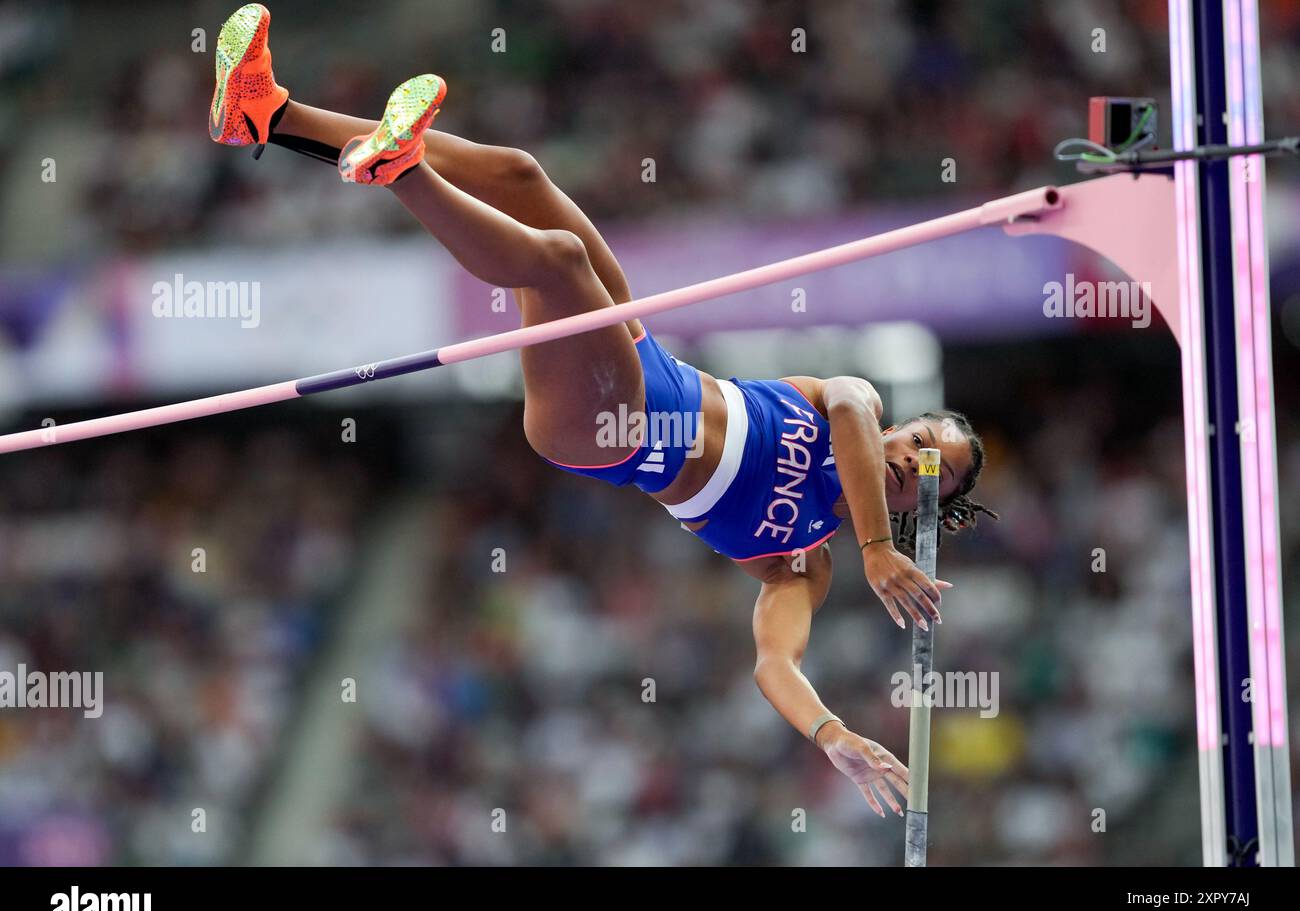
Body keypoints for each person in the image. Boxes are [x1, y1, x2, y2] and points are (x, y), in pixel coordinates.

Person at [210, 3, 997, 818]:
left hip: (603, 430)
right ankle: (266, 114)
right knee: (520, 176)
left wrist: (833, 733)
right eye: (918, 441)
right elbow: (851, 412)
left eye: (923, 476)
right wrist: (878, 546)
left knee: (559, 262)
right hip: (642, 353)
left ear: (922, 509)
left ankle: (401, 170)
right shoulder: (850, 404)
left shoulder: (806, 555)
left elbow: (774, 666)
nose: (908, 460)